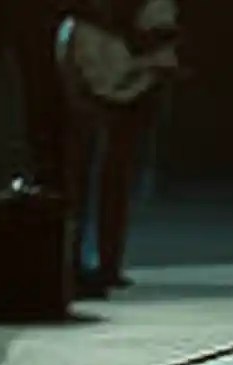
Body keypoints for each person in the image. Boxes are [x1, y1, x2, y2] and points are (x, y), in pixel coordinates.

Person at [56, 0, 182, 296]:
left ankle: (104, 263)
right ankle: (77, 262)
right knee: (87, 179)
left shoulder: (151, 11)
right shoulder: (87, 24)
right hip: (102, 85)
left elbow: (162, 49)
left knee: (113, 177)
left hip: (129, 88)